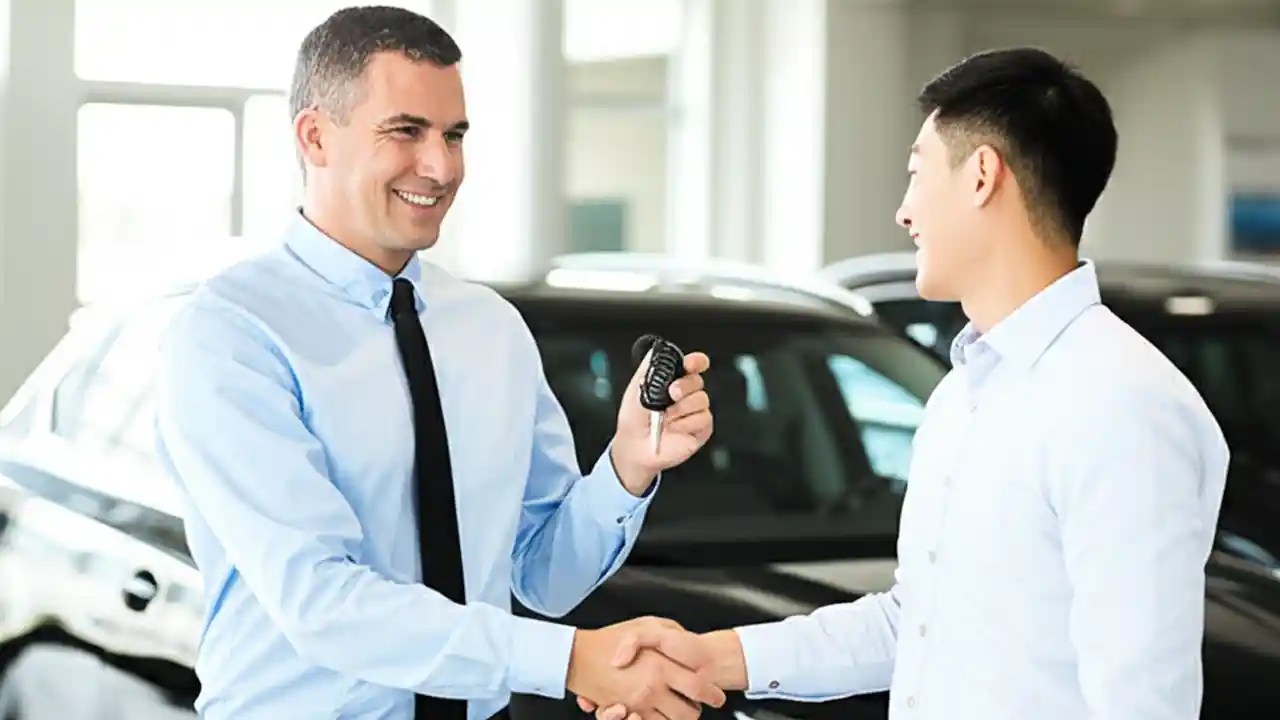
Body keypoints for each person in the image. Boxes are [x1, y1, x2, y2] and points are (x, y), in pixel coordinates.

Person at [581, 46, 1230, 720]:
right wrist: (711, 658)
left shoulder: (1122, 404)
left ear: (982, 176)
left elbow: (1143, 701)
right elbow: (916, 623)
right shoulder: (965, 394)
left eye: (917, 174)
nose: (903, 211)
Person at [153, 6, 724, 720]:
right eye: (407, 132)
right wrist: (575, 661)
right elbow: (322, 599)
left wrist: (626, 466)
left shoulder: (490, 329)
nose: (442, 166)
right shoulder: (231, 334)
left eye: (454, 135)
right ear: (314, 136)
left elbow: (541, 575)